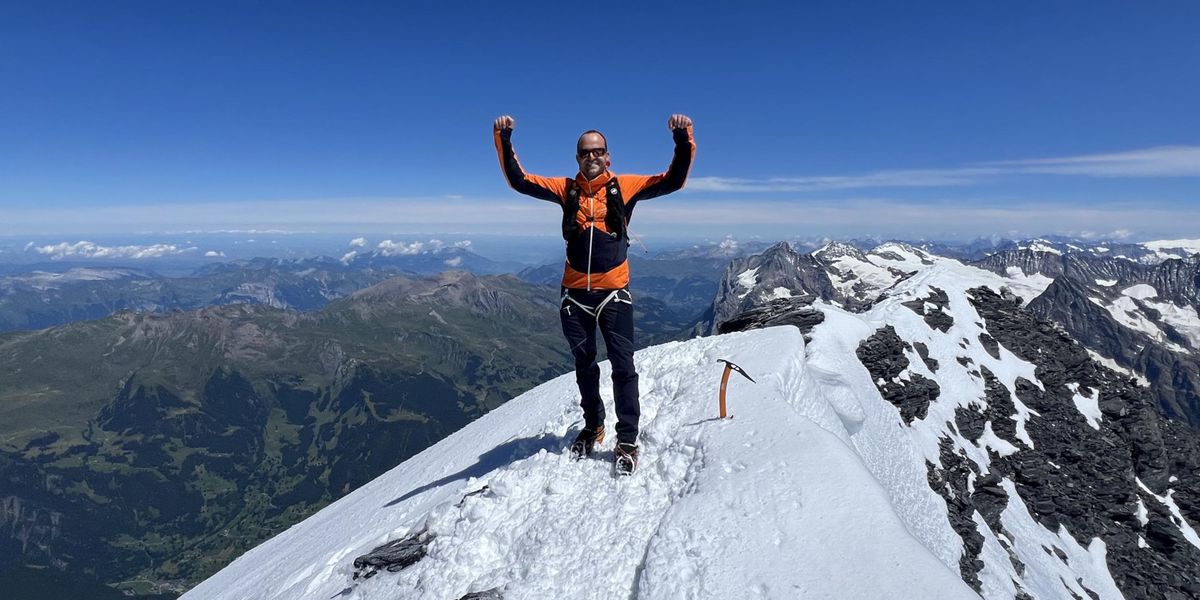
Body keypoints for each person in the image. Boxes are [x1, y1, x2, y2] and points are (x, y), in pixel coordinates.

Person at [493, 114, 695, 475]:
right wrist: (504, 138)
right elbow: (519, 181)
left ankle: (628, 438)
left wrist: (682, 137)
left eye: (598, 151)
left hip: (613, 291)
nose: (592, 157)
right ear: (577, 158)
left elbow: (673, 181)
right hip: (574, 295)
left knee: (623, 366)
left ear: (608, 156)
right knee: (584, 366)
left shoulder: (624, 186)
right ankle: (593, 426)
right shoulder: (566, 189)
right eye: (586, 153)